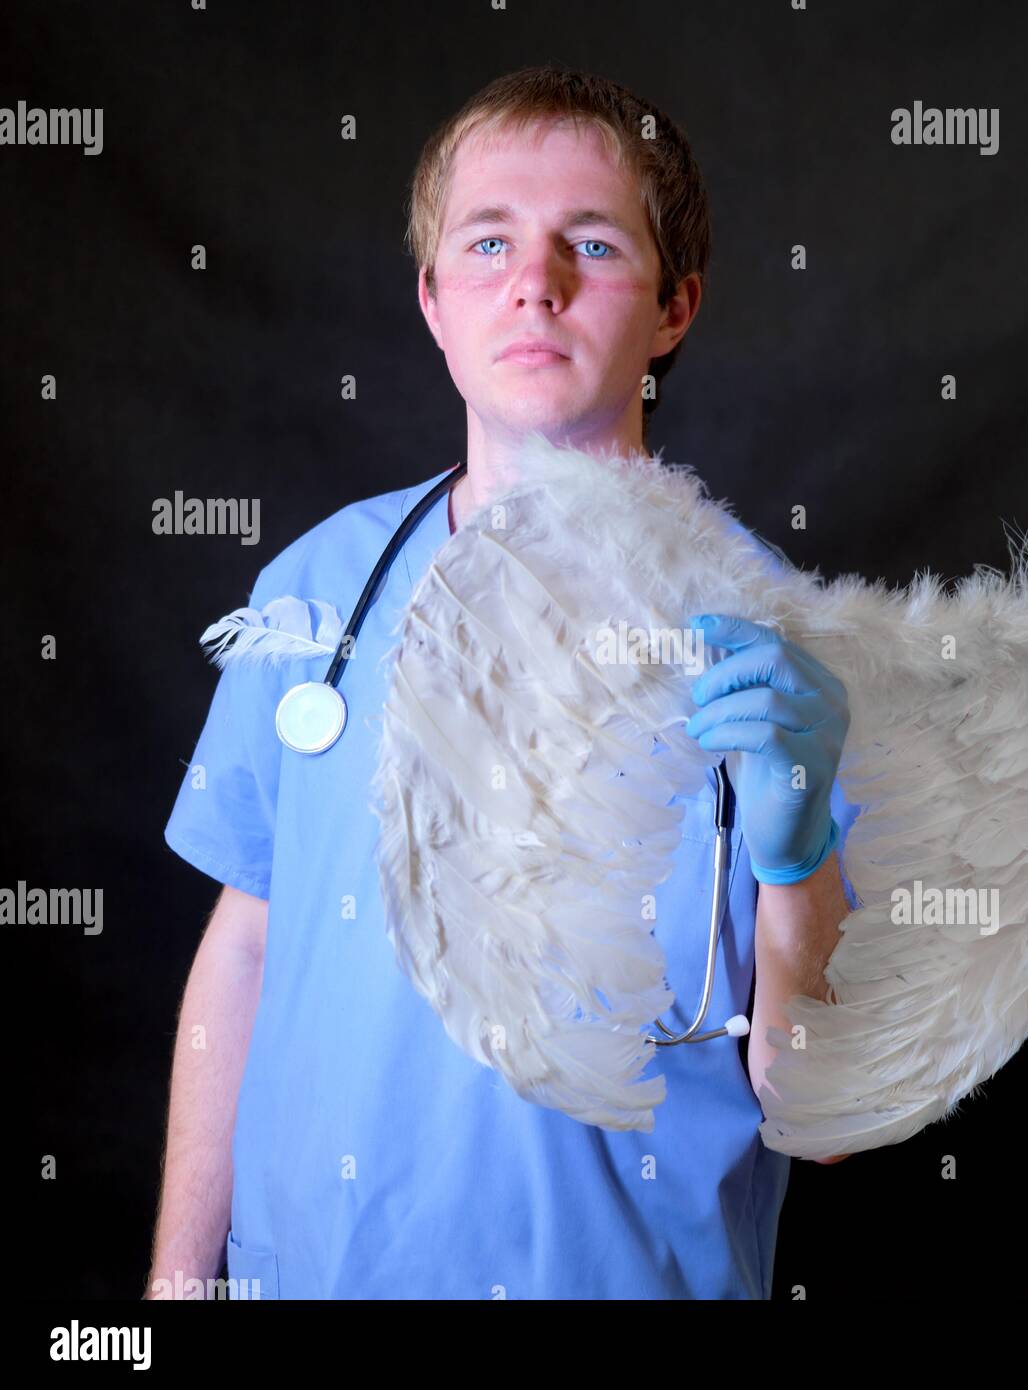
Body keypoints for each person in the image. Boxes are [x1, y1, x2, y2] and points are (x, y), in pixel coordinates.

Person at [149, 64, 862, 1302]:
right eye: (488, 243)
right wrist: (175, 1277)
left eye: (591, 241)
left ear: (676, 306)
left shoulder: (779, 650)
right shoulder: (320, 588)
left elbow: (831, 1112)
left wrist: (798, 861)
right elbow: (247, 947)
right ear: (433, 301)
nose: (535, 281)